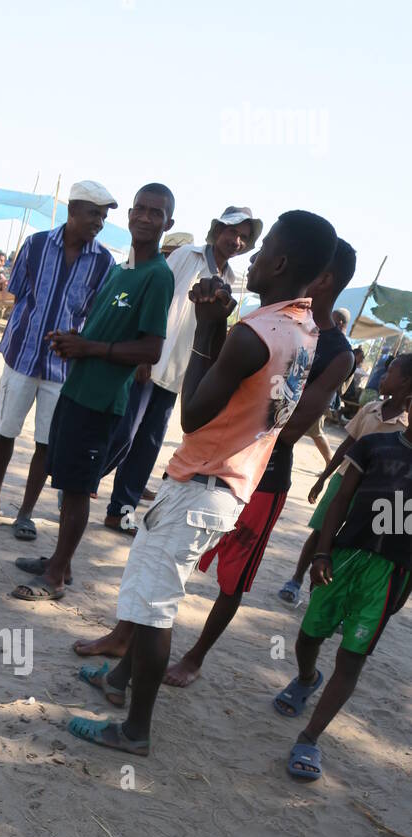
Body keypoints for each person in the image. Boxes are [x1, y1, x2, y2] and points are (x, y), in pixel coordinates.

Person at [67, 209, 336, 756]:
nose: (251, 260)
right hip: (229, 485)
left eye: (261, 254)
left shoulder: (254, 333)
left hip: (203, 480)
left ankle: (135, 731)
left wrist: (210, 330)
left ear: (280, 262)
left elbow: (194, 414)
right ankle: (118, 682)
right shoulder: (304, 329)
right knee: (154, 592)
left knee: (152, 606)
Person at [160, 239, 357, 688]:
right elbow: (224, 382)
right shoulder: (268, 322)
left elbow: (287, 429)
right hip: (209, 460)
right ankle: (127, 637)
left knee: (234, 577)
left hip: (261, 477)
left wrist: (237, 395)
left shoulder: (332, 350)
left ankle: (194, 657)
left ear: (320, 278)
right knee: (167, 559)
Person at [8, 184, 175, 601]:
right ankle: (56, 559)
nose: (145, 217)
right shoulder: (121, 270)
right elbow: (102, 332)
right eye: (140, 209)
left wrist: (90, 348)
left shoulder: (158, 276)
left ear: (167, 223)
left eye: (156, 213)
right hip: (76, 389)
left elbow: (151, 349)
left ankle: (58, 576)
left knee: (80, 489)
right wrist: (74, 341)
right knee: (65, 481)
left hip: (101, 402)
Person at [0, 182, 117, 531]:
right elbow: (19, 294)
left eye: (103, 217)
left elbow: (98, 315)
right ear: (73, 210)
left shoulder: (104, 262)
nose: (99, 223)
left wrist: (75, 339)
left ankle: (25, 514)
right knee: (6, 430)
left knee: (46, 442)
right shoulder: (36, 245)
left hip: (63, 367)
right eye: (94, 214)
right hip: (22, 355)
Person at [102, 207, 262, 536]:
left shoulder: (231, 279)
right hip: (151, 362)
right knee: (122, 435)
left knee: (147, 446)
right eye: (232, 231)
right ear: (217, 229)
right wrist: (144, 353)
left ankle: (121, 510)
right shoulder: (187, 255)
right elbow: (155, 296)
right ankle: (79, 484)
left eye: (244, 236)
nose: (236, 240)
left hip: (179, 376)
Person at [272, 411, 412, 781]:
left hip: (390, 574)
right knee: (309, 636)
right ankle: (306, 678)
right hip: (345, 558)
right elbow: (341, 501)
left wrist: (405, 588)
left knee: (352, 658)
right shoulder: (373, 446)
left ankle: (309, 738)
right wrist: (322, 551)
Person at [278, 352, 412, 604]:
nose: (383, 376)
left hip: (372, 493)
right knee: (320, 532)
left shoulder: (406, 426)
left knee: (351, 542)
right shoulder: (370, 410)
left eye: (391, 371)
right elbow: (346, 447)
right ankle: (296, 580)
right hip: (342, 480)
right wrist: (324, 477)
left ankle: (326, 594)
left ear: (405, 382)